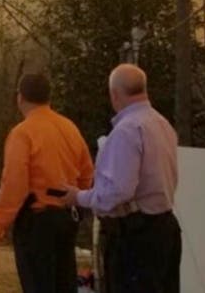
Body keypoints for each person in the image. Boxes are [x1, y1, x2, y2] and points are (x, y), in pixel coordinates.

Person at [58, 64, 181, 293]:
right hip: (165, 227)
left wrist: (78, 197)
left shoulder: (127, 130)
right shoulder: (163, 125)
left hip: (135, 234)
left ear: (114, 94)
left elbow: (117, 191)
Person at [0, 72, 95, 293]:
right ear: (49, 97)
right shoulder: (70, 128)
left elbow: (14, 183)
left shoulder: (23, 133)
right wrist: (79, 204)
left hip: (36, 221)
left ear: (20, 98)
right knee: (65, 285)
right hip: (67, 218)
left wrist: (1, 222)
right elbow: (87, 174)